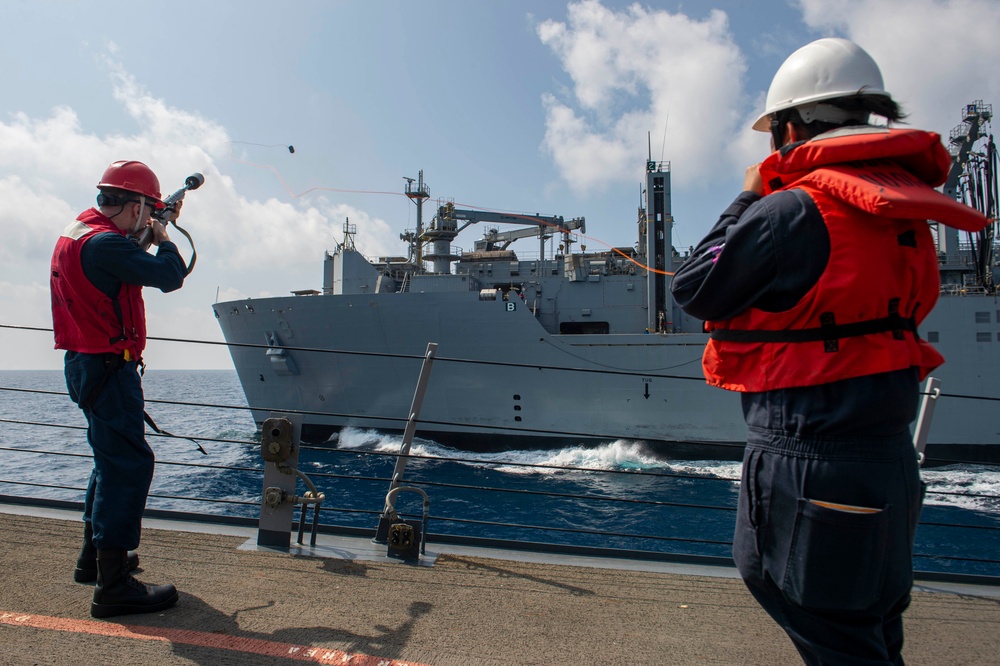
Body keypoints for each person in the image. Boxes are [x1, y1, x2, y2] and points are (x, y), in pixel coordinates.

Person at [670, 38, 988, 664]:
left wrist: (749, 195)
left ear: (791, 126)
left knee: (827, 628)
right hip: (889, 460)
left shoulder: (792, 210)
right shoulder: (906, 222)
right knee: (867, 633)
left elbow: (693, 286)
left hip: (807, 454)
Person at [50, 160, 188, 618]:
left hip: (86, 364)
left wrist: (148, 226)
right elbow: (169, 276)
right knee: (128, 464)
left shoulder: (80, 233)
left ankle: (93, 560)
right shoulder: (107, 244)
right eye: (144, 210)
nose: (146, 219)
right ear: (132, 206)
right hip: (109, 369)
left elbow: (116, 264)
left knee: (109, 460)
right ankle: (114, 586)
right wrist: (164, 237)